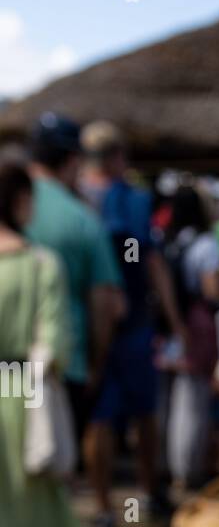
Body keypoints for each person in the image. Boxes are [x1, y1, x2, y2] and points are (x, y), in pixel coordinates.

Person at [0, 162, 112, 527]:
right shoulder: (40, 264)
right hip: (20, 391)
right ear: (19, 201)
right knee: (29, 510)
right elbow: (55, 342)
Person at [79, 121, 184, 527]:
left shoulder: (72, 197)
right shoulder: (132, 200)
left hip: (92, 322)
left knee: (101, 416)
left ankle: (105, 507)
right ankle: (144, 494)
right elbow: (146, 258)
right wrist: (173, 320)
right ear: (117, 156)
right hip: (129, 322)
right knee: (141, 412)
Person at [25, 112, 124, 449]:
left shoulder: (11, 206)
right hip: (66, 365)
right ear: (72, 160)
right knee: (58, 463)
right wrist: (96, 365)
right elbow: (106, 301)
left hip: (11, 366)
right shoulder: (86, 217)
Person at [162, 186, 219, 490]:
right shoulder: (206, 244)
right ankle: (188, 469)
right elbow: (212, 288)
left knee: (174, 400)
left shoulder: (170, 240)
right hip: (199, 324)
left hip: (174, 325)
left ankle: (172, 466)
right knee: (194, 400)